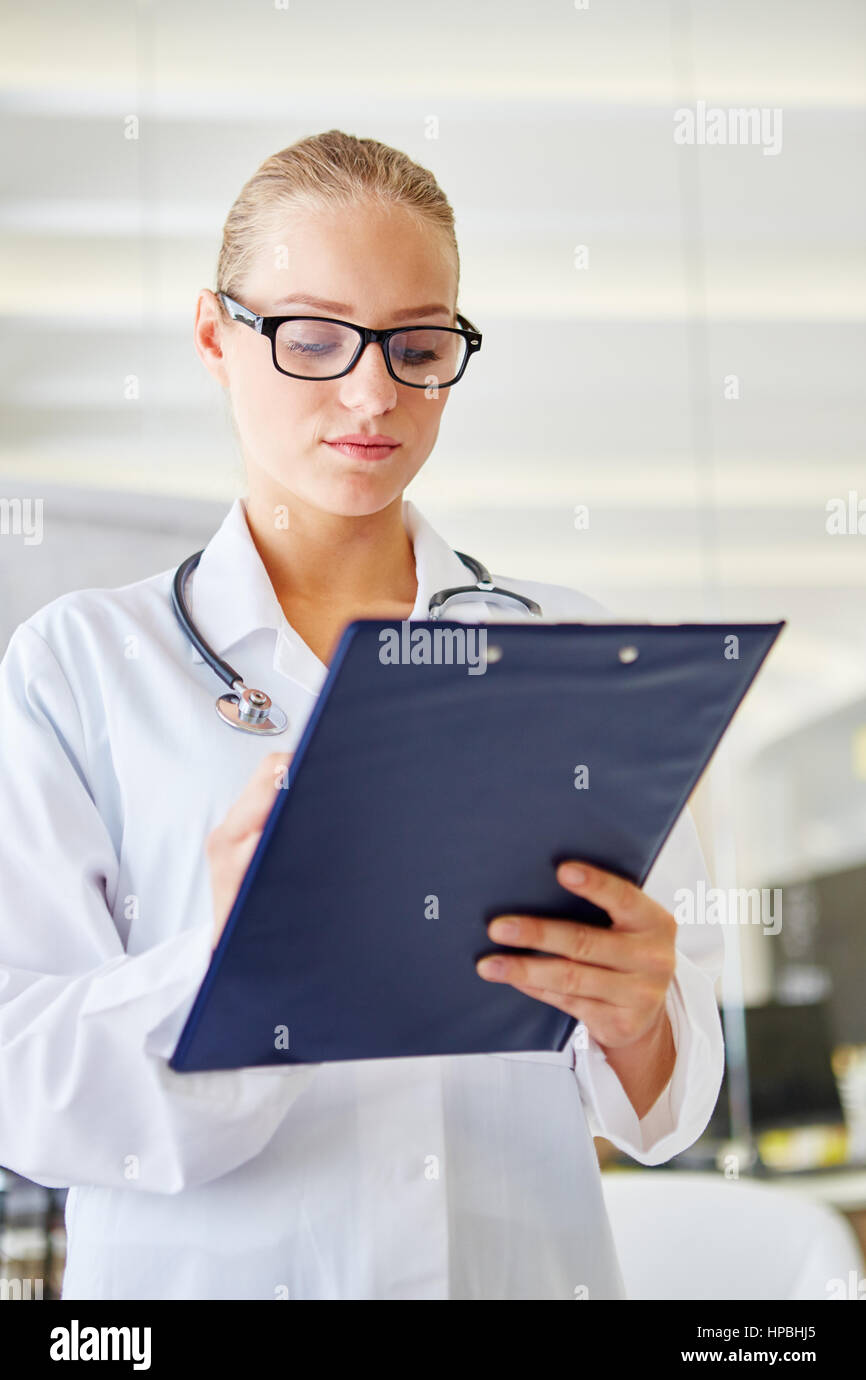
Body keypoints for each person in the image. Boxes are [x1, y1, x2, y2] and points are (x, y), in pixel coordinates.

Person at [0, 130, 724, 1300]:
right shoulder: (77, 668)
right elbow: (21, 1082)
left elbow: (663, 1107)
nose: (372, 390)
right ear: (212, 337)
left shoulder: (567, 652)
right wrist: (233, 966)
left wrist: (641, 1015)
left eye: (418, 343)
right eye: (313, 336)